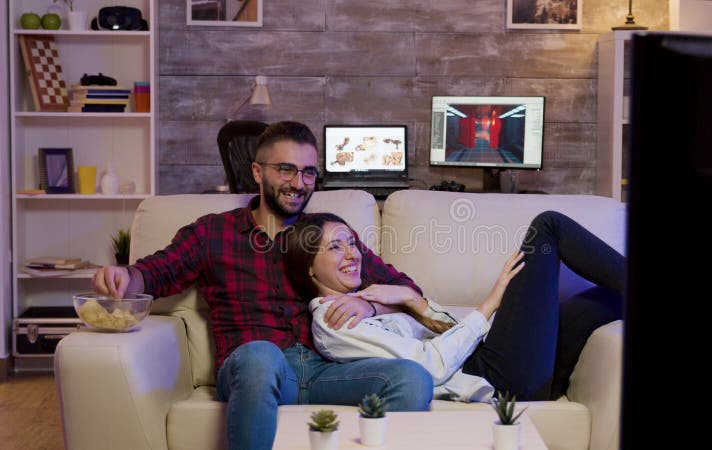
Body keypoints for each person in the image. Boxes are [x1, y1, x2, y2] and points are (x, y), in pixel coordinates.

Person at [90, 121, 433, 450]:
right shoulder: (213, 232)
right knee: (261, 356)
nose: (299, 183)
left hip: (326, 371)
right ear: (257, 172)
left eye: (308, 172)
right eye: (286, 169)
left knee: (413, 380)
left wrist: (369, 304)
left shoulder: (326, 234)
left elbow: (406, 291)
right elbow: (155, 272)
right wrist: (124, 275)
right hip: (252, 368)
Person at [282, 210, 625, 402]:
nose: (351, 253)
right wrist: (491, 302)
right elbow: (429, 367)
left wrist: (409, 300)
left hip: (497, 360)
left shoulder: (367, 300)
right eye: (335, 247)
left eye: (352, 242)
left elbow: (446, 329)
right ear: (309, 267)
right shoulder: (333, 319)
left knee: (609, 296)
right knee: (548, 226)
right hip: (493, 376)